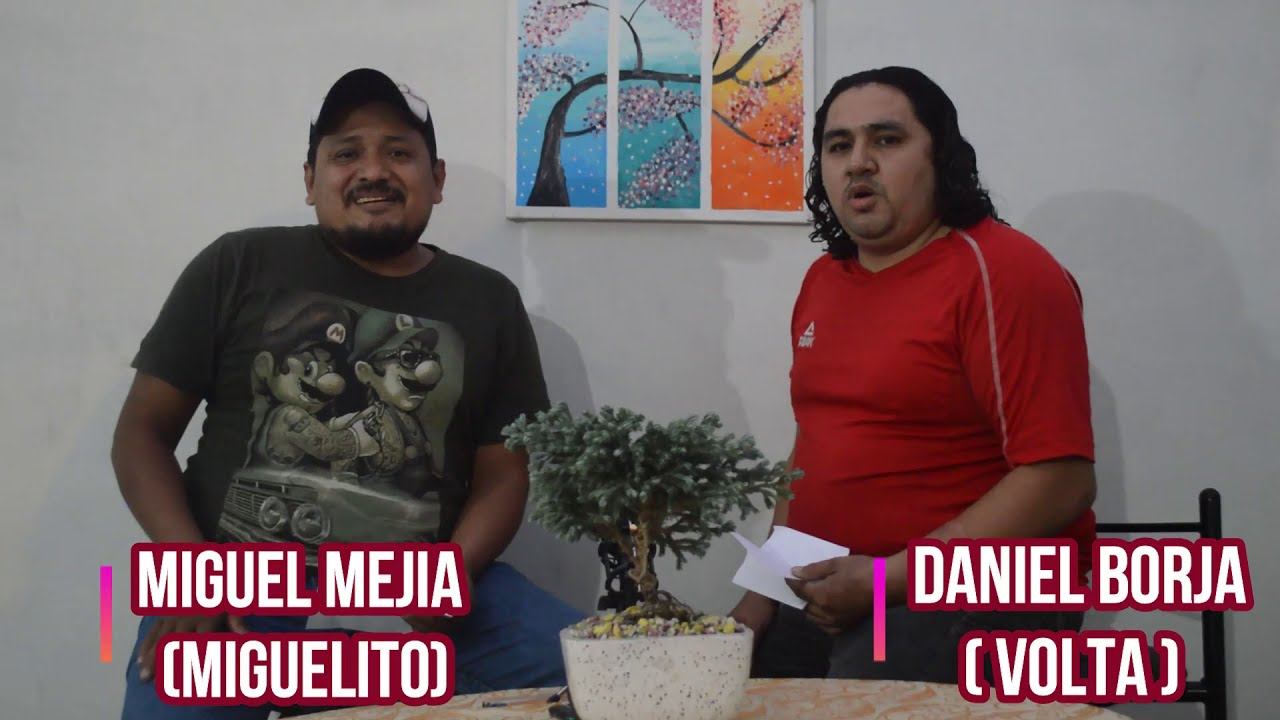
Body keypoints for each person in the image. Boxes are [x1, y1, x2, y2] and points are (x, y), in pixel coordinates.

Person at [113, 68, 582, 719]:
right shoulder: (237, 264)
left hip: (423, 582)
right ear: (311, 180)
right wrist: (191, 569)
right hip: (236, 578)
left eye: (398, 152)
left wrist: (453, 573)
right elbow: (141, 434)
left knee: (592, 672)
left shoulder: (488, 301)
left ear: (436, 178)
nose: (373, 171)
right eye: (346, 153)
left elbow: (503, 472)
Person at [730, 66, 1097, 682]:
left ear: (940, 157)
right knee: (722, 689)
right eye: (839, 146)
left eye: (886, 140)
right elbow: (814, 447)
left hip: (969, 596)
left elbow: (1062, 481)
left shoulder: (1006, 272)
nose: (859, 162)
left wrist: (887, 579)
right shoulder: (824, 280)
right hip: (830, 586)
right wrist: (760, 593)